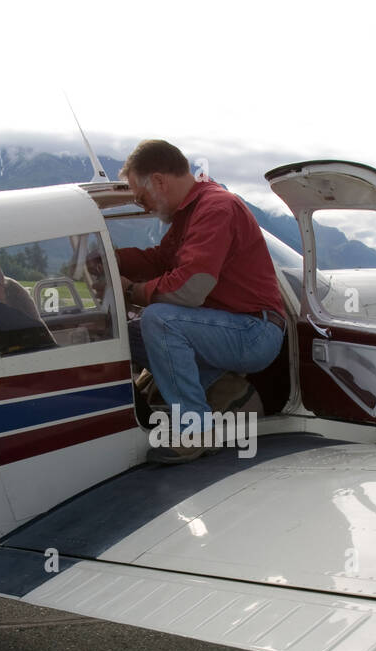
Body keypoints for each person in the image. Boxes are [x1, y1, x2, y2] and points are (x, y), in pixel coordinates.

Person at [115, 139, 286, 463]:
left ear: (160, 181)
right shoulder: (188, 216)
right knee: (129, 331)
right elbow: (159, 260)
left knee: (158, 320)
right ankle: (214, 389)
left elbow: (190, 288)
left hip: (254, 331)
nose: (144, 206)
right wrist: (112, 260)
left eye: (142, 197)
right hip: (227, 326)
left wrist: (130, 291)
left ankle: (194, 429)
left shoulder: (215, 208)